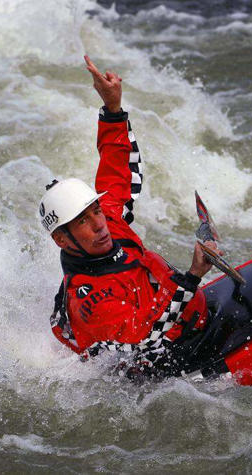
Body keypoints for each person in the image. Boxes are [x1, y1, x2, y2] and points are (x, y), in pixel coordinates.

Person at [41, 55, 222, 377]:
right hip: (161, 368)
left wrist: (112, 109)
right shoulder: (89, 300)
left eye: (96, 211)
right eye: (82, 221)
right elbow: (146, 339)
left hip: (191, 319)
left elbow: (116, 169)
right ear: (61, 239)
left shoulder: (108, 220)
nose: (100, 225)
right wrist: (193, 276)